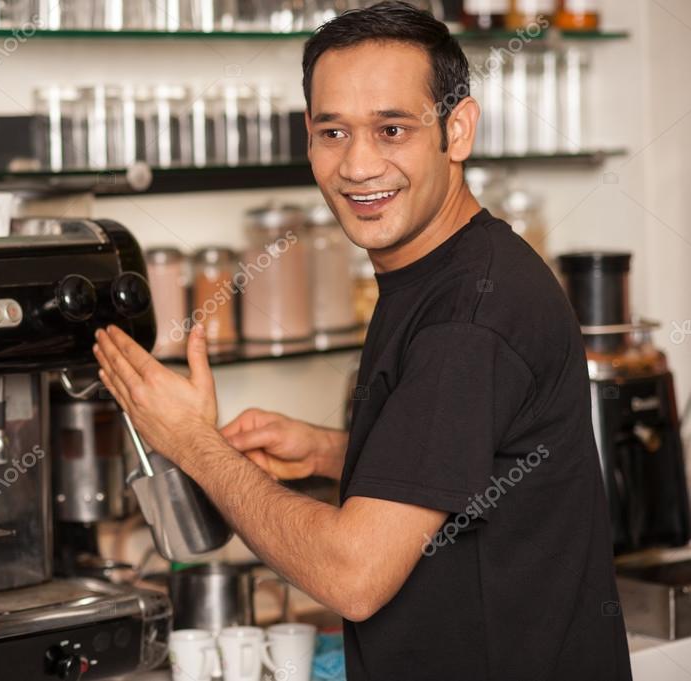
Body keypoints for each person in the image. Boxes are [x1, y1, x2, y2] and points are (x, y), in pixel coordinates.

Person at [93, 2, 632, 678]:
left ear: (456, 130)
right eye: (333, 132)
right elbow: (474, 461)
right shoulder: (447, 269)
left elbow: (353, 573)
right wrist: (330, 451)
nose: (357, 165)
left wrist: (191, 443)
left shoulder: (466, 320)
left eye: (392, 129)